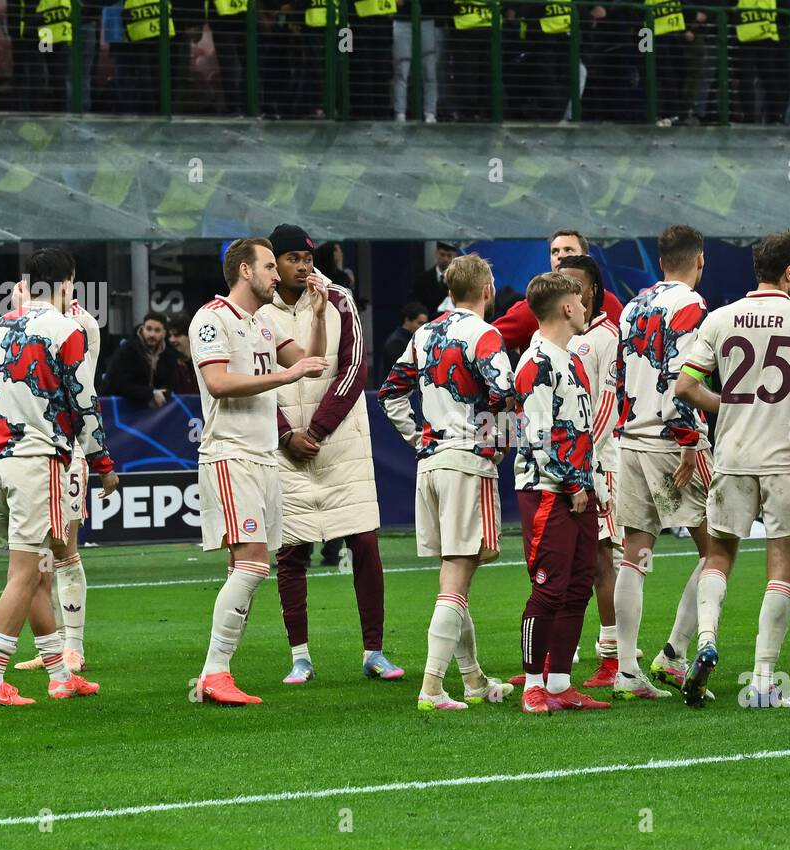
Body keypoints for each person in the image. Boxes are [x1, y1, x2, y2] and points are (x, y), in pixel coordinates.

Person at [675, 229, 790, 708]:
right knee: (782, 563)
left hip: (733, 453)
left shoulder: (721, 317)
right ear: (788, 272)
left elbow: (685, 387)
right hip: (784, 456)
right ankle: (763, 680)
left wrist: (726, 407)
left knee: (720, 554)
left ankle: (705, 640)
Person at [0, 248, 115, 706]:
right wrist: (102, 462)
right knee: (25, 574)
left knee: (40, 570)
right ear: (69, 282)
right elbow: (84, 403)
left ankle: (60, 673)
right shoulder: (68, 330)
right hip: (39, 462)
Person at [257, 223, 405, 685]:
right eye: (292, 259)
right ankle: (299, 656)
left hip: (340, 440)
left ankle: (374, 652)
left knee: (364, 542)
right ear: (274, 263)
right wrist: (286, 435)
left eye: (307, 258)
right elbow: (253, 378)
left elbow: (356, 367)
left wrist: (316, 430)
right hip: (285, 446)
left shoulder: (338, 298)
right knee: (292, 550)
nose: (303, 267)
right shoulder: (256, 308)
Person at [187, 238, 328, 706]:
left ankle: (219, 673)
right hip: (231, 455)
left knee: (247, 568)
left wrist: (323, 315)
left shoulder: (262, 322)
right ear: (245, 271)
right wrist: (286, 377)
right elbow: (218, 382)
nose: (277, 275)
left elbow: (309, 362)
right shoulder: (212, 318)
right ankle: (214, 671)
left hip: (264, 456)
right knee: (252, 564)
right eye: (269, 266)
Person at [379, 253, 516, 712]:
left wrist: (418, 437)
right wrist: (497, 443)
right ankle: (432, 687)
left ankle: (473, 679)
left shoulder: (424, 333)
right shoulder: (484, 334)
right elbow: (504, 396)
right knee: (456, 577)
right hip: (465, 462)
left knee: (455, 574)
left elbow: (390, 393)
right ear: (487, 290)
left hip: (431, 463)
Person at [611, 224, 713, 703]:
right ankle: (674, 653)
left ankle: (627, 669)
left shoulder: (632, 305)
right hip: (672, 441)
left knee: (634, 554)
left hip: (629, 438)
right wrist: (692, 441)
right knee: (719, 549)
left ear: (659, 260)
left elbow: (618, 375)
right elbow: (682, 376)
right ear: (700, 260)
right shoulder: (692, 307)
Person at [512, 272, 612, 714]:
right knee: (548, 590)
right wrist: (573, 482)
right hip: (548, 490)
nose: (586, 303)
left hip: (578, 489)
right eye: (579, 298)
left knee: (576, 589)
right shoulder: (535, 362)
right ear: (568, 307)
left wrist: (594, 484)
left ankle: (560, 683)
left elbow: (581, 432)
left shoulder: (568, 359)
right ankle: (533, 684)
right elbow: (536, 436)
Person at [15, 294, 107, 674]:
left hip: (66, 452)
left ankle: (73, 647)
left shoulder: (80, 324)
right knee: (39, 555)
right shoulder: (26, 321)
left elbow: (76, 389)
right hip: (34, 450)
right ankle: (51, 646)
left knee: (63, 549)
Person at [556, 255, 624, 687]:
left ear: (594, 291)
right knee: (576, 561)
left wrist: (582, 458)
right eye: (564, 286)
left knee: (602, 562)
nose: (571, 295)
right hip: (574, 466)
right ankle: (557, 657)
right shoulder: (567, 338)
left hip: (600, 467)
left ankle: (613, 657)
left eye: (577, 286)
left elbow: (603, 405)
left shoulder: (605, 338)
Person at [493, 229, 625, 354]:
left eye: (568, 250)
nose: (560, 256)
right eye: (555, 252)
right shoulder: (534, 306)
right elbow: (487, 342)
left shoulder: (609, 302)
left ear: (586, 258)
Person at [103, 312, 178, 407]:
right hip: (119, 408)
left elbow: (170, 383)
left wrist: (163, 393)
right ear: (142, 329)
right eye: (149, 329)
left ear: (164, 333)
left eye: (157, 330)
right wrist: (151, 393)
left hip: (155, 411)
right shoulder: (127, 350)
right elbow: (120, 384)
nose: (152, 334)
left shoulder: (169, 354)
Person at [392, 0, 442, 122]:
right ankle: (400, 114)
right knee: (401, 70)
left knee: (429, 71)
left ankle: (430, 113)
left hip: (427, 19)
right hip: (402, 20)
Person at [381, 300, 430, 379]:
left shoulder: (416, 339)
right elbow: (404, 372)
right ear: (407, 320)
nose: (423, 327)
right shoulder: (396, 342)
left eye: (425, 324)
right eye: (419, 323)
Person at [412, 241, 457, 313]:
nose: (445, 259)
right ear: (436, 253)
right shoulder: (423, 279)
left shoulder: (459, 280)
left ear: (454, 256)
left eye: (449, 255)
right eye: (442, 254)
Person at [165, 313, 199, 394]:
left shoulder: (202, 358)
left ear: (189, 335)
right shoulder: (169, 360)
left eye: (177, 335)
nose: (172, 339)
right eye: (169, 335)